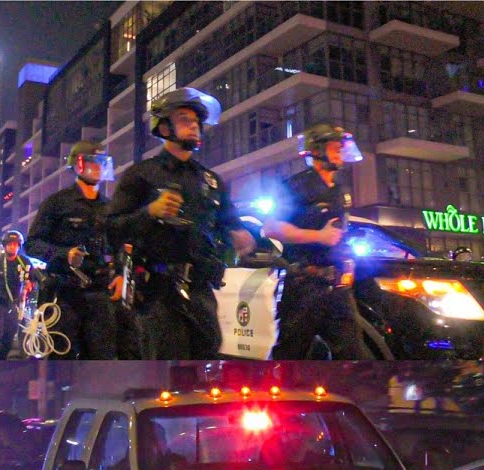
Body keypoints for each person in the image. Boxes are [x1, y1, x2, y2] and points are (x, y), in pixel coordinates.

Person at [106, 88, 255, 360]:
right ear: (164, 127)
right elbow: (111, 227)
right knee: (168, 368)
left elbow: (230, 222)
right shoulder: (142, 174)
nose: (195, 125)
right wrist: (150, 211)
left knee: (207, 361)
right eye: (185, 119)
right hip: (158, 291)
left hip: (201, 289)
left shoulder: (210, 180)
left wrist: (242, 235)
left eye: (197, 121)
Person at [264, 122, 366, 360]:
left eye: (341, 148)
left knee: (354, 354)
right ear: (317, 150)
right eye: (334, 147)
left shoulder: (340, 191)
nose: (340, 152)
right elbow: (270, 227)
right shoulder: (295, 185)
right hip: (304, 286)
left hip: (338, 287)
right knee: (290, 354)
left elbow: (339, 233)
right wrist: (318, 236)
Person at [28, 141, 120, 359]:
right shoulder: (57, 203)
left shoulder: (108, 208)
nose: (98, 168)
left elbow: (117, 247)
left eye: (102, 163)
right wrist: (64, 254)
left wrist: (120, 273)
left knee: (102, 360)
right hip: (65, 295)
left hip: (99, 295)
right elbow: (32, 244)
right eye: (93, 162)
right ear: (79, 164)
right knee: (62, 360)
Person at [0, 231, 40, 360]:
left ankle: (1, 361)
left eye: (16, 245)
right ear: (4, 246)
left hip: (14, 304)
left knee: (9, 337)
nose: (13, 247)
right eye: (10, 244)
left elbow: (34, 279)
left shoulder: (24, 261)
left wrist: (30, 285)